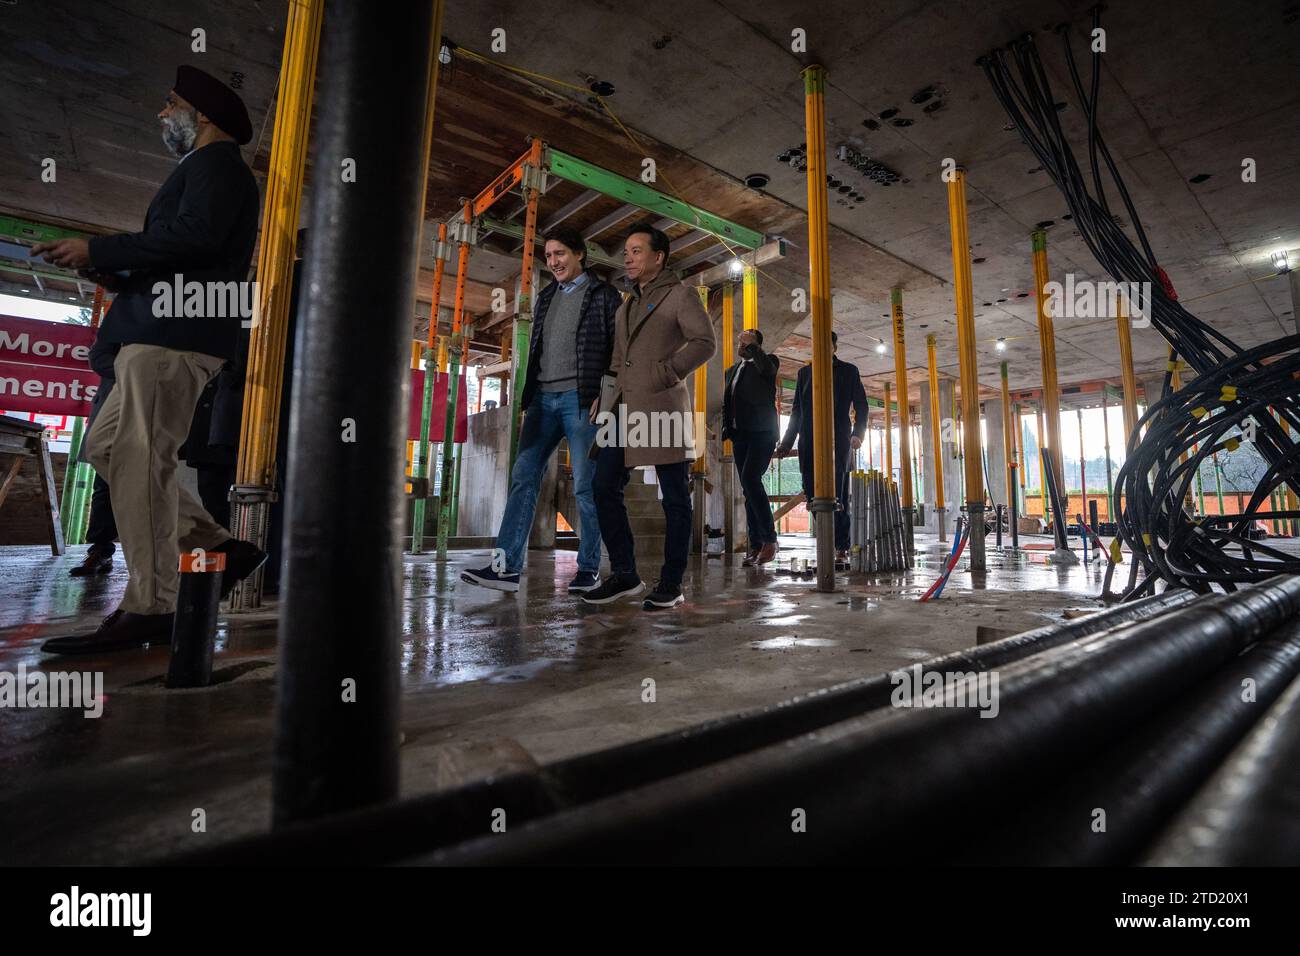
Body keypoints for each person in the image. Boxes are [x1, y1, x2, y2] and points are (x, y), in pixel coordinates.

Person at [34, 65, 266, 653]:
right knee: (109, 449)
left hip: (173, 336)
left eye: (170, 105)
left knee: (139, 455)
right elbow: (186, 247)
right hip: (157, 330)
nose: (162, 115)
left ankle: (155, 603)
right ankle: (213, 544)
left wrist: (102, 247)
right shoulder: (201, 169)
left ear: (202, 115)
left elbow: (197, 236)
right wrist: (112, 268)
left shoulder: (218, 166)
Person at [461, 225, 621, 593]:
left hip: (582, 400)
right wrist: (527, 400)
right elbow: (536, 351)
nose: (554, 262)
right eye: (549, 256)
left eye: (560, 253)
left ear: (579, 254)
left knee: (586, 487)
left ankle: (588, 568)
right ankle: (505, 568)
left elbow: (617, 348)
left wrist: (605, 391)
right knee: (523, 476)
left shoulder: (604, 294)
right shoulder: (546, 295)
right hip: (542, 402)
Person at [584, 222, 715, 610]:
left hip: (663, 407)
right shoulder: (627, 304)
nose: (628, 257)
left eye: (637, 250)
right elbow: (615, 357)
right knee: (603, 485)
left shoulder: (680, 295)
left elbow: (705, 343)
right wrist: (604, 394)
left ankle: (672, 583)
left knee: (674, 497)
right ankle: (625, 574)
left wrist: (665, 373)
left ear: (659, 256)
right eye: (626, 251)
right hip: (621, 408)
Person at [775, 331, 867, 562]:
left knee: (838, 495)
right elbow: (796, 411)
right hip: (809, 440)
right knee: (812, 493)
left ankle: (841, 545)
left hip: (839, 440)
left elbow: (862, 406)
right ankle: (830, 538)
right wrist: (786, 443)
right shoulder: (804, 373)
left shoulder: (849, 371)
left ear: (834, 347)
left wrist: (858, 434)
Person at [722, 327, 779, 566]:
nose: (741, 344)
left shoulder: (768, 363)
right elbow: (729, 402)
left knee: (751, 479)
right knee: (747, 488)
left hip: (762, 433)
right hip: (740, 434)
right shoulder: (732, 371)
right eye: (740, 341)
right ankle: (756, 544)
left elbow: (766, 368)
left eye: (747, 341)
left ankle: (769, 540)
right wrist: (728, 426)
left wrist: (754, 347)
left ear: (756, 345)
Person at [68, 336, 120, 577]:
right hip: (114, 402)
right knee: (104, 485)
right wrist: (139, 369)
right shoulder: (127, 314)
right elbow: (99, 357)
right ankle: (101, 550)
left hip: (154, 407)